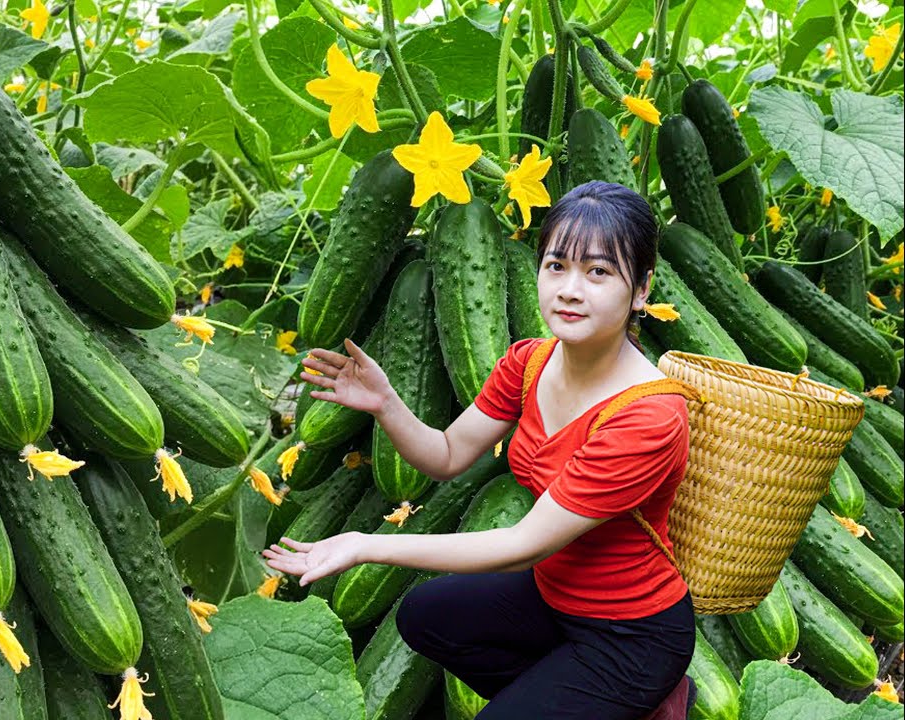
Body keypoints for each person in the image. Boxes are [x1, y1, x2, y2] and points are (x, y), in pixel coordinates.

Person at [262, 181, 698, 719]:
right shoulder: (528, 363)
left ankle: (640, 694)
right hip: (552, 600)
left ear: (641, 289)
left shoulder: (648, 417)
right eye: (556, 265)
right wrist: (385, 404)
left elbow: (523, 544)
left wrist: (365, 543)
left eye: (599, 272)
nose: (569, 288)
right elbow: (446, 454)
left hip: (632, 633)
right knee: (423, 615)